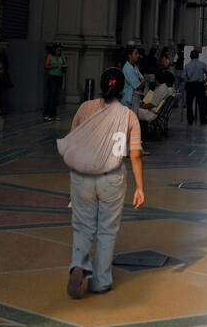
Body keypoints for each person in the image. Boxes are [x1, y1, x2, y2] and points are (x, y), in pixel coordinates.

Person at [59, 66, 144, 298]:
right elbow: (134, 154)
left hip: (82, 176)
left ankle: (78, 264)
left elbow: (73, 139)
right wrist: (140, 187)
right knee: (107, 230)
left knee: (83, 226)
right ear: (122, 89)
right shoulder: (129, 116)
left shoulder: (85, 108)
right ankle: (100, 282)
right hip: (111, 178)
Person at [183, 47, 207, 124]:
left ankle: (190, 119)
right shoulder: (202, 64)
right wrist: (205, 81)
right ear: (198, 56)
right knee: (202, 103)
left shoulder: (187, 65)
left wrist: (186, 83)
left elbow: (184, 77)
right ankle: (203, 119)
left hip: (190, 85)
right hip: (199, 85)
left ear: (190, 56)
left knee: (189, 103)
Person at [43, 43, 67, 121]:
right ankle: (47, 114)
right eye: (58, 50)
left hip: (59, 77)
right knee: (51, 95)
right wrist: (54, 66)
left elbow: (65, 64)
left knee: (56, 96)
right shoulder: (50, 56)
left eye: (60, 50)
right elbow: (46, 66)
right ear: (54, 49)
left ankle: (54, 114)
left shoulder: (61, 56)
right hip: (52, 77)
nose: (59, 51)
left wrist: (62, 66)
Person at [117, 45, 145, 110]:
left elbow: (143, 80)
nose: (138, 55)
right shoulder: (127, 68)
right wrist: (141, 82)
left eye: (138, 53)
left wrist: (141, 81)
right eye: (136, 53)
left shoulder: (134, 66)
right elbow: (138, 86)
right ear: (129, 55)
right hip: (129, 99)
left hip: (135, 97)